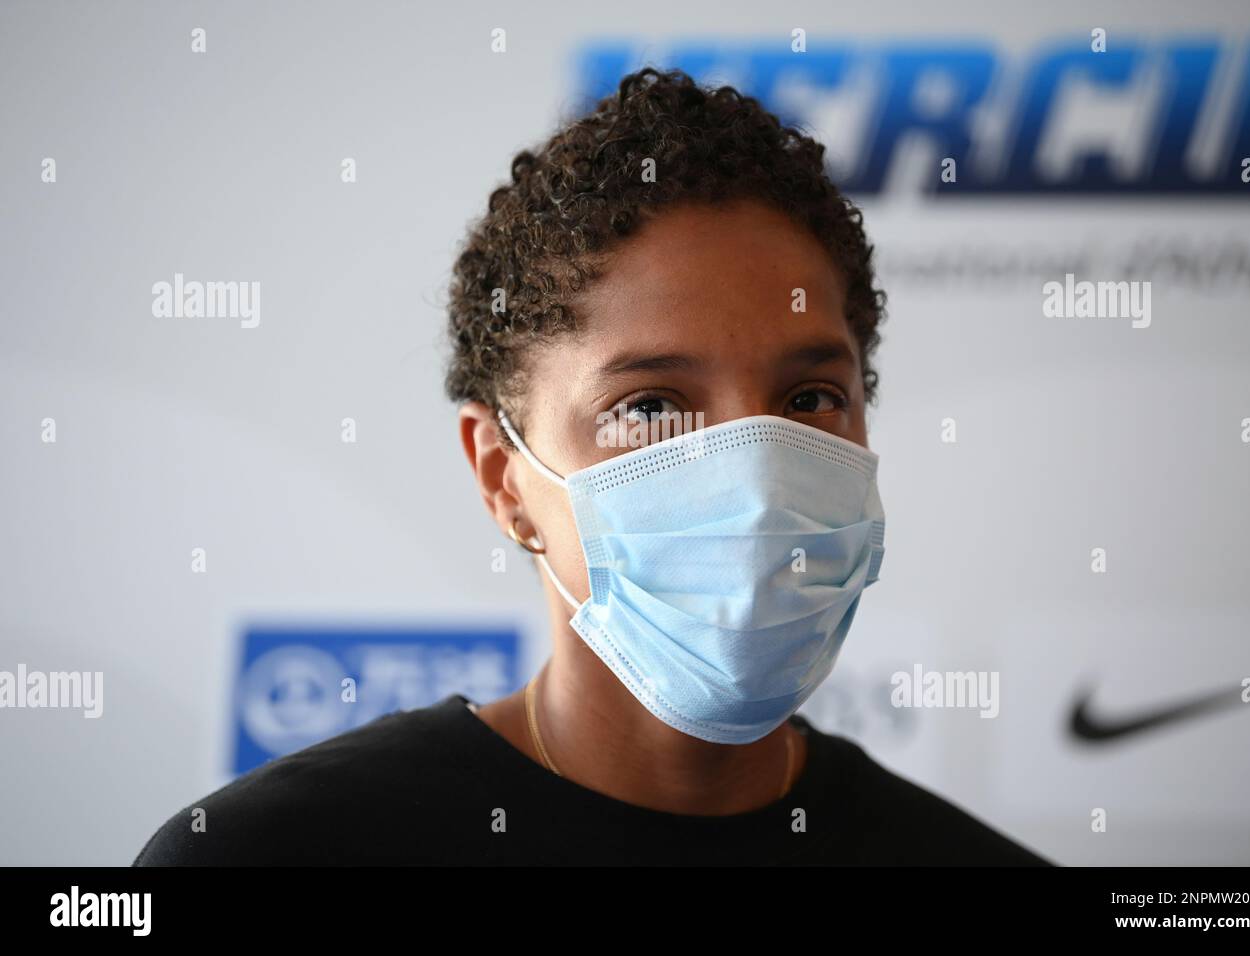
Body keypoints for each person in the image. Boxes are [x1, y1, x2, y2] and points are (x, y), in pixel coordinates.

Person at [134, 67, 1051, 866]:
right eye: (648, 407)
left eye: (810, 399)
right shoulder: (277, 860)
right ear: (502, 477)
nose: (760, 477)